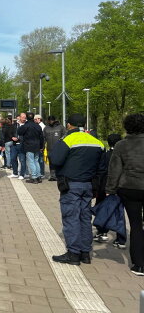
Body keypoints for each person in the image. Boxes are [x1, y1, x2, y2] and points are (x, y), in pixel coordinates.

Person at [49, 114, 104, 266]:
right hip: (89, 185)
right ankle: (85, 253)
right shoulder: (97, 142)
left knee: (71, 218)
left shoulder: (68, 139)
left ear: (69, 125)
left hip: (71, 185)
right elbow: (102, 167)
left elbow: (56, 159)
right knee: (85, 218)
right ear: (84, 125)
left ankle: (73, 254)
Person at [106, 113, 144, 275]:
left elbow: (115, 169)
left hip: (130, 187)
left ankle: (139, 265)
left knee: (136, 225)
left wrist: (110, 189)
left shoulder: (121, 145)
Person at [94, 133, 124, 247]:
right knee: (119, 213)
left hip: (105, 187)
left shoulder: (105, 155)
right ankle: (121, 239)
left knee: (103, 210)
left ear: (108, 142)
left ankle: (102, 232)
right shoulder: (123, 154)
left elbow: (101, 171)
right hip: (121, 187)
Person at [18, 112, 45, 184]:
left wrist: (21, 124)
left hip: (29, 145)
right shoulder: (38, 126)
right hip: (37, 146)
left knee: (31, 161)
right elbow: (41, 137)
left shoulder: (26, 126)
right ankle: (39, 176)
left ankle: (34, 177)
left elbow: (19, 132)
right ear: (33, 118)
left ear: (26, 118)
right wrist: (41, 146)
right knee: (36, 161)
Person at [43, 115, 66, 181]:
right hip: (50, 148)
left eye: (52, 120)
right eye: (50, 120)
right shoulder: (46, 128)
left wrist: (61, 141)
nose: (51, 122)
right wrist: (42, 147)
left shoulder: (61, 127)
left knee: (59, 161)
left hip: (59, 148)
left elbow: (65, 135)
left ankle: (59, 174)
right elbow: (43, 138)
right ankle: (53, 176)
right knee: (51, 162)